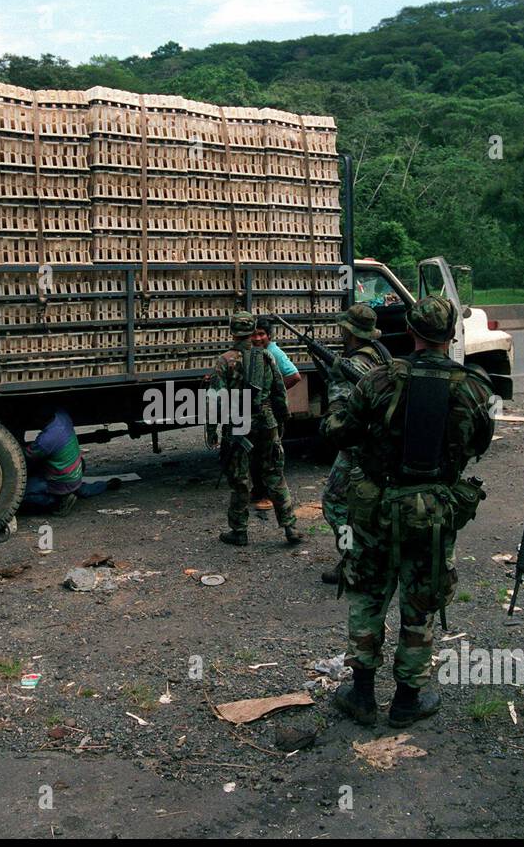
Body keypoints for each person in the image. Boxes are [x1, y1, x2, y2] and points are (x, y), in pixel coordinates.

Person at [322, 297, 494, 727]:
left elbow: (339, 434)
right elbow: (479, 444)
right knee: (421, 602)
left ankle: (361, 695)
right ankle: (406, 700)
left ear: (411, 333)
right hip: (432, 513)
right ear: (451, 335)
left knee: (367, 594)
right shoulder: (474, 387)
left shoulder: (378, 381)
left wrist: (338, 405)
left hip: (377, 506)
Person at [206, 310, 302, 545]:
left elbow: (216, 400)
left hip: (238, 425)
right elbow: (280, 391)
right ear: (252, 331)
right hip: (266, 422)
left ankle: (239, 531)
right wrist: (281, 419)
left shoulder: (225, 360)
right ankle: (290, 528)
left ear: (232, 332)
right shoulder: (267, 356)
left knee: (239, 480)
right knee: (274, 475)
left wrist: (211, 431)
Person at [319, 304, 391, 584]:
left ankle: (353, 558)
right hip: (379, 442)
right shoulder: (379, 354)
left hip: (359, 446)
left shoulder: (357, 364)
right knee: (367, 503)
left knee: (334, 502)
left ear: (348, 331)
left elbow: (348, 411)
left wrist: (335, 384)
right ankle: (371, 554)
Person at [22, 407, 116, 516]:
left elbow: (27, 455)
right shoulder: (62, 416)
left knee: (23, 494)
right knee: (80, 489)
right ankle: (105, 485)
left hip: (61, 481)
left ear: (40, 420)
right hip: (76, 471)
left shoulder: (46, 440)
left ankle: (56, 502)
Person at [249, 318, 300, 509]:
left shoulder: (274, 353)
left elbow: (294, 376)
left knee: (270, 458)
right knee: (256, 454)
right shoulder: (254, 353)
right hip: (258, 415)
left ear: (269, 335)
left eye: (261, 334)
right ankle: (258, 491)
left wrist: (270, 394)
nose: (257, 338)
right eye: (254, 334)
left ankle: (270, 497)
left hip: (270, 414)